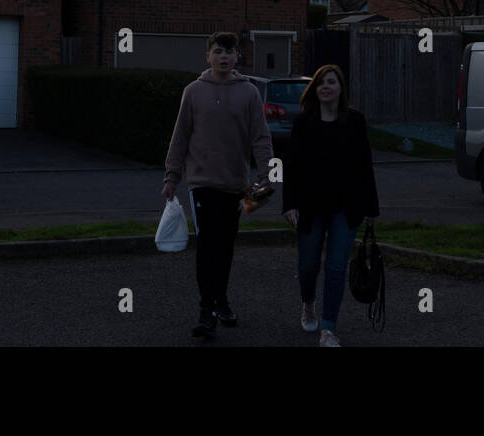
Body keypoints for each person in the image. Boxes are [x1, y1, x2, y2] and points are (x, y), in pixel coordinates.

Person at [162, 31, 273, 339]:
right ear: (208, 56)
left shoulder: (249, 92)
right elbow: (180, 137)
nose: (224, 57)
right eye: (218, 51)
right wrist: (172, 177)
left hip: (236, 184)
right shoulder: (193, 91)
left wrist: (266, 175)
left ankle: (221, 300)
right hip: (202, 184)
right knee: (207, 246)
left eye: (229, 52)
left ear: (237, 57)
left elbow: (260, 138)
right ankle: (206, 310)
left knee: (225, 248)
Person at [281, 64, 379, 347]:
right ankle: (308, 303)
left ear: (341, 88)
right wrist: (289, 205)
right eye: (321, 82)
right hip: (310, 206)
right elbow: (293, 167)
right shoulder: (303, 123)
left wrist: (371, 209)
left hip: (346, 208)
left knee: (336, 267)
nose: (326, 86)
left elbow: (364, 166)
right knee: (308, 264)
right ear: (314, 88)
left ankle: (328, 329)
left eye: (332, 82)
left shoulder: (355, 121)